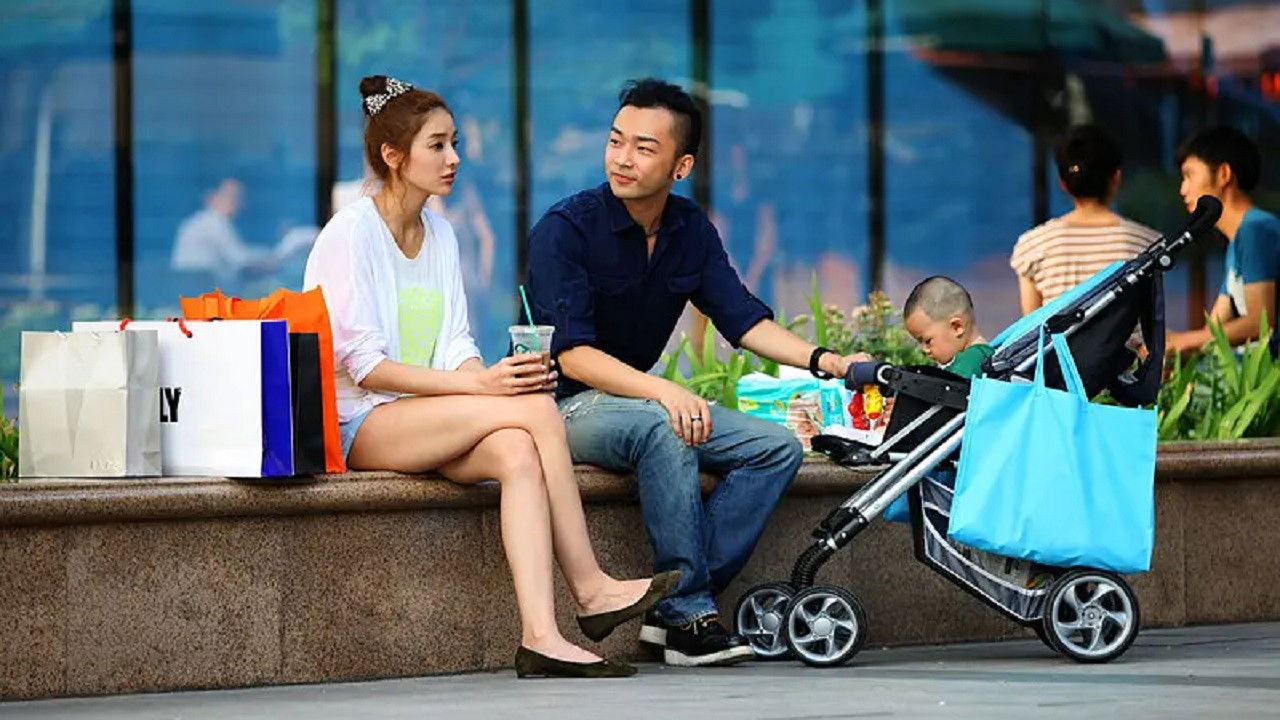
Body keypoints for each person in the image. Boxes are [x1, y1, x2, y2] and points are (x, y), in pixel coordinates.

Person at [303, 75, 677, 680]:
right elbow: (364, 368)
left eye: (455, 144)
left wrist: (489, 377)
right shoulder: (352, 233)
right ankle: (589, 586)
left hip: (425, 417)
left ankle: (540, 637)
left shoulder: (441, 233)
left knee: (516, 449)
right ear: (393, 157)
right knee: (533, 411)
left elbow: (454, 344)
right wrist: (484, 388)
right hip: (358, 422)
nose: (453, 159)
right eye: (437, 146)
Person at [525, 78, 864, 667]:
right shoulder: (567, 228)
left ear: (681, 165)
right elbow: (572, 355)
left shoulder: (690, 231)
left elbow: (742, 319)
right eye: (615, 141)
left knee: (775, 448)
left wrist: (828, 362)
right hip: (562, 408)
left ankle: (674, 601)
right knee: (667, 425)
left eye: (644, 148)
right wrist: (663, 389)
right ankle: (686, 616)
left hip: (636, 402)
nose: (623, 158)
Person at [1011, 125, 1160, 315]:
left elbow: (1031, 331)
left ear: (1062, 183)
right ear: (1116, 177)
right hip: (1127, 346)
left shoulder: (1032, 246)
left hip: (1059, 346)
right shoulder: (1147, 244)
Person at [1167, 126, 1280, 356]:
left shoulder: (1256, 229)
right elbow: (1216, 329)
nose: (1183, 189)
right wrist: (1173, 348)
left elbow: (1260, 322)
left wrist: (1182, 342)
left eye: (1189, 175)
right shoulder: (1238, 240)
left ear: (1223, 174)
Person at [171, 178, 278, 293]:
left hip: (190, 293)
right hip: (206, 294)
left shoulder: (191, 223)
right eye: (229, 196)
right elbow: (240, 259)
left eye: (238, 198)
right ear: (211, 197)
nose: (235, 202)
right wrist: (271, 257)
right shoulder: (216, 222)